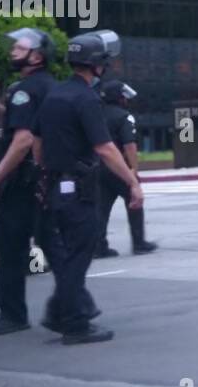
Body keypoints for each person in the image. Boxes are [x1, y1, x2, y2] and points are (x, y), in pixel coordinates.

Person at [32, 30, 144, 344]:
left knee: (68, 256)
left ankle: (58, 312)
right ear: (97, 65)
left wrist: (46, 171)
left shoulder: (53, 94)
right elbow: (106, 148)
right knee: (77, 257)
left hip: (54, 187)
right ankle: (74, 322)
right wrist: (132, 182)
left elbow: (36, 142)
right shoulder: (86, 99)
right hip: (78, 189)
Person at [0, 28, 58, 335]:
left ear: (37, 56)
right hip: (46, 182)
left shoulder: (24, 90)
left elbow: (22, 140)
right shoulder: (47, 86)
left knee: (10, 251)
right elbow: (12, 121)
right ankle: (71, 307)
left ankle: (13, 316)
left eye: (20, 47)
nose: (13, 50)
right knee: (56, 248)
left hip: (20, 184)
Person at [94, 80, 157, 257]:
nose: (126, 99)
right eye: (123, 96)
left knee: (101, 208)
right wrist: (133, 171)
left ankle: (99, 246)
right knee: (134, 202)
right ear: (119, 98)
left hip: (99, 166)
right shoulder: (124, 116)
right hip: (119, 167)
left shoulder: (97, 114)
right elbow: (129, 144)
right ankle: (139, 242)